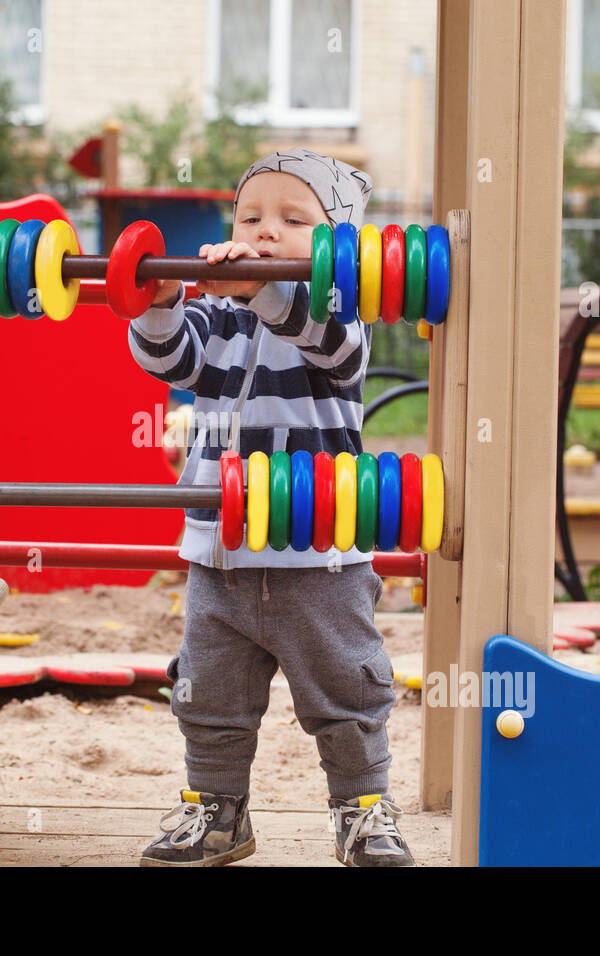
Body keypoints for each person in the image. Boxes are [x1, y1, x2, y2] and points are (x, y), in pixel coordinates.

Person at [126, 147, 414, 867]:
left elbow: (335, 353)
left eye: (292, 219)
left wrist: (266, 291)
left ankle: (363, 808)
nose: (264, 230)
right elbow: (174, 363)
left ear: (338, 241)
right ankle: (216, 810)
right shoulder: (221, 308)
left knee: (346, 687)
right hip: (219, 548)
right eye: (250, 216)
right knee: (208, 694)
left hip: (319, 552)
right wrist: (163, 305)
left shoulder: (342, 304)